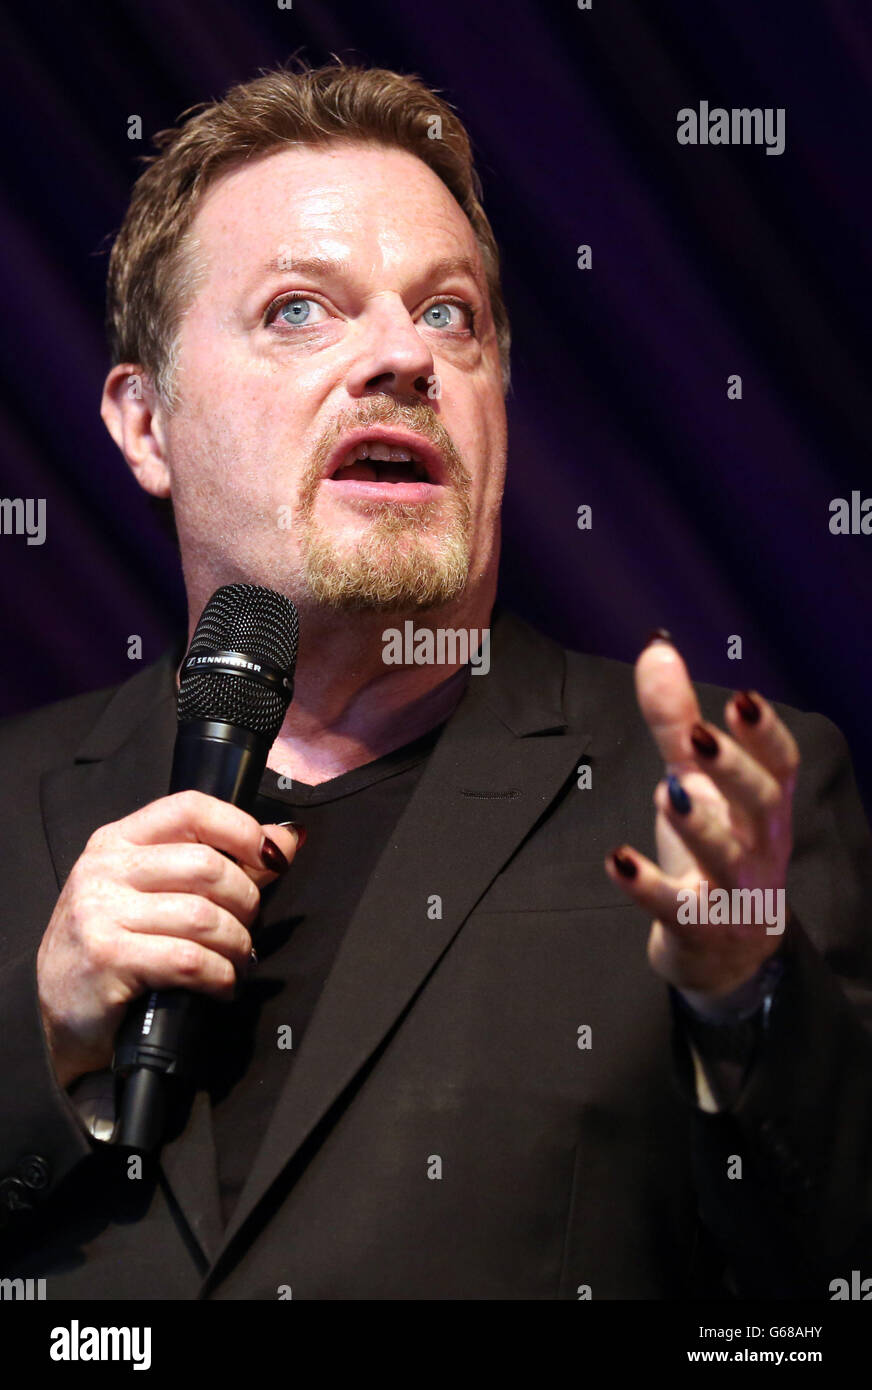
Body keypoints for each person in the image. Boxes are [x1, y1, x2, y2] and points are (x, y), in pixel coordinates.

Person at [0, 60, 870, 1301]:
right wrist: (36, 1043)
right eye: (301, 309)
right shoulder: (11, 802)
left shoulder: (703, 810)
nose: (402, 356)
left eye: (448, 313)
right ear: (145, 423)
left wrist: (743, 1003)